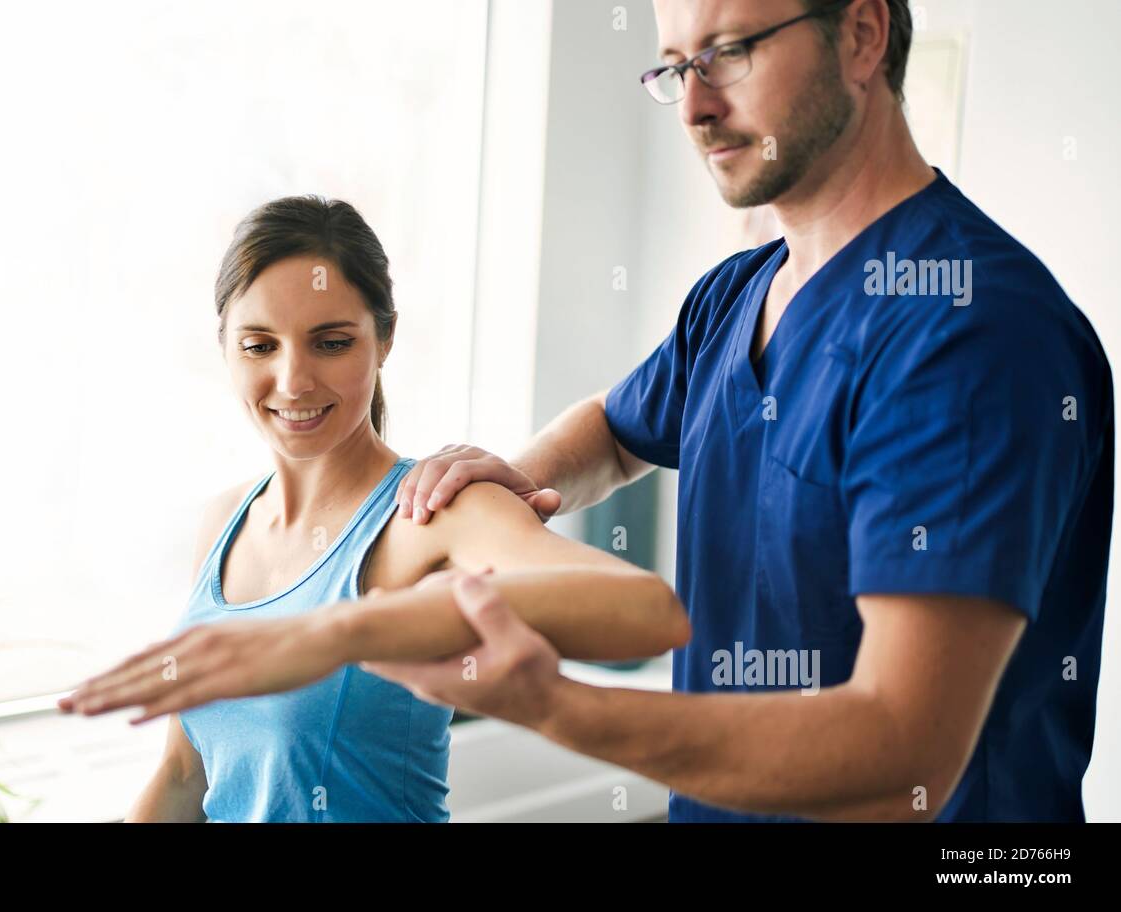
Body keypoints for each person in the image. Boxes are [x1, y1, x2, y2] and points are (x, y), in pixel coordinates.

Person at [367, 0, 1113, 822]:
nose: (694, 107)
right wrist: (518, 478)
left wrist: (552, 705)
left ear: (861, 36)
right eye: (676, 68)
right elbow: (616, 432)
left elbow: (904, 750)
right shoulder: (735, 295)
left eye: (727, 53)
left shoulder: (969, 329)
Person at [57, 195, 688, 822]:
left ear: (384, 340)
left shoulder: (438, 510)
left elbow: (650, 613)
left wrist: (344, 631)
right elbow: (182, 776)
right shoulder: (224, 521)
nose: (294, 380)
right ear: (224, 345)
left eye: (330, 342)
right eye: (259, 346)